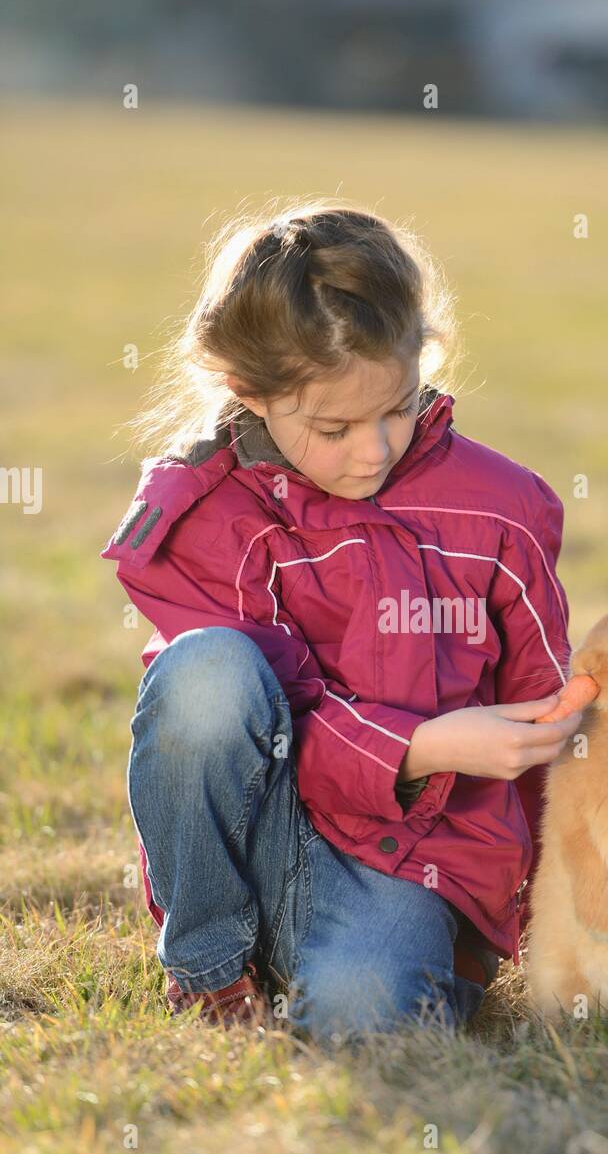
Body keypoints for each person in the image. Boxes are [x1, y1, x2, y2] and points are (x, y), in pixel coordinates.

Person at [102, 201, 581, 1044]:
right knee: (204, 673)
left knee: (369, 1022)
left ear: (420, 359)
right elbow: (252, 722)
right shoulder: (204, 514)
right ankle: (212, 969)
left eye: (397, 408)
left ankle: (356, 964)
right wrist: (421, 748)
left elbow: (551, 721)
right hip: (255, 836)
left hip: (408, 857)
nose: (374, 449)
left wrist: (537, 923)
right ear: (249, 393)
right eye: (335, 428)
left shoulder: (502, 512)